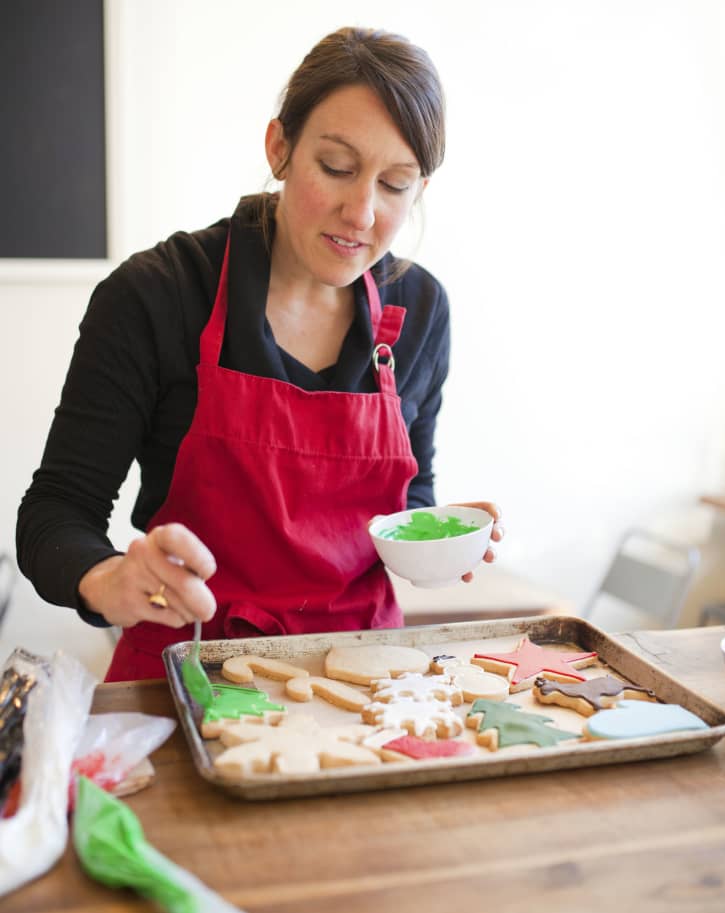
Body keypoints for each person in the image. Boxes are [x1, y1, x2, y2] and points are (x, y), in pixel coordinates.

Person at [16, 26, 504, 682]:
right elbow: (54, 512)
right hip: (186, 681)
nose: (361, 211)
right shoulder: (158, 296)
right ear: (280, 148)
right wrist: (106, 579)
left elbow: (409, 497)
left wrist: (438, 536)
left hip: (362, 689)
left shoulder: (418, 310)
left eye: (395, 184)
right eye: (336, 167)